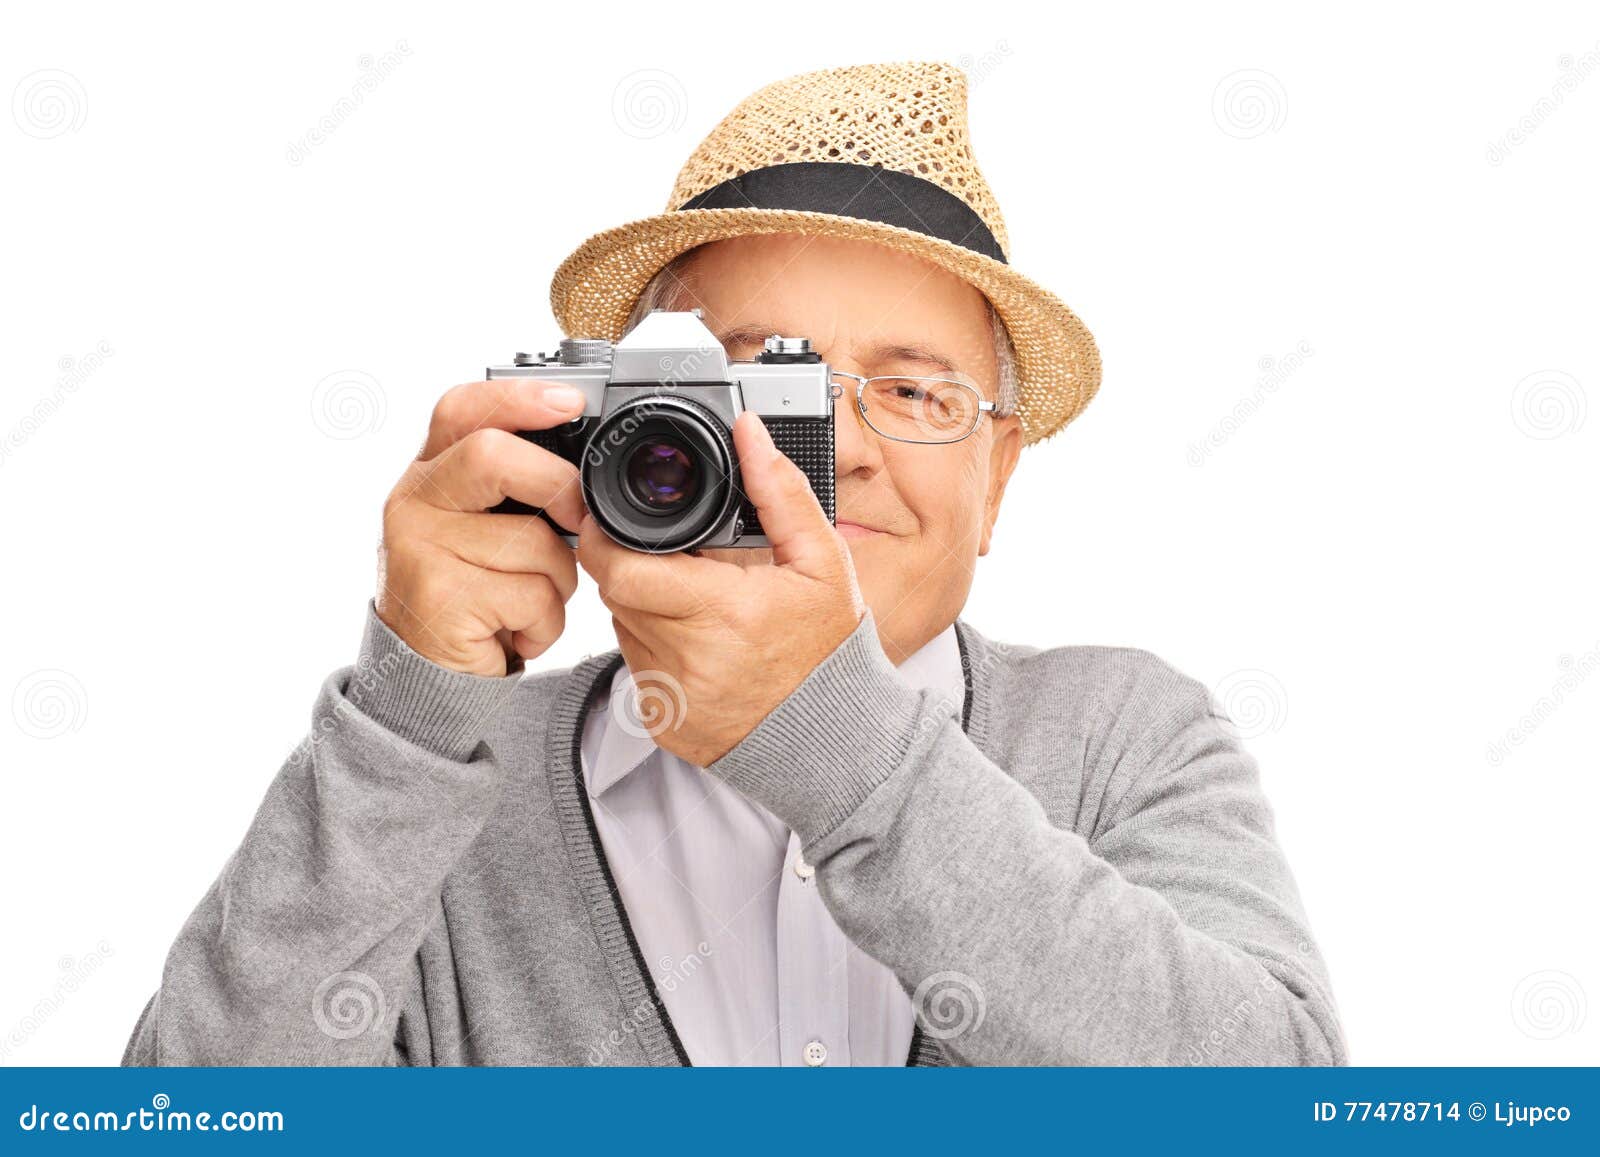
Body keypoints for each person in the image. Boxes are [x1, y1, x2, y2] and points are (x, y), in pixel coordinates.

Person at [122, 61, 1346, 1066]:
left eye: (914, 392)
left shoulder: (1123, 735)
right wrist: (409, 718)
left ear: (997, 478)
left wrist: (834, 739)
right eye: (765, 383)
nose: (841, 451)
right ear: (621, 422)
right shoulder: (447, 781)